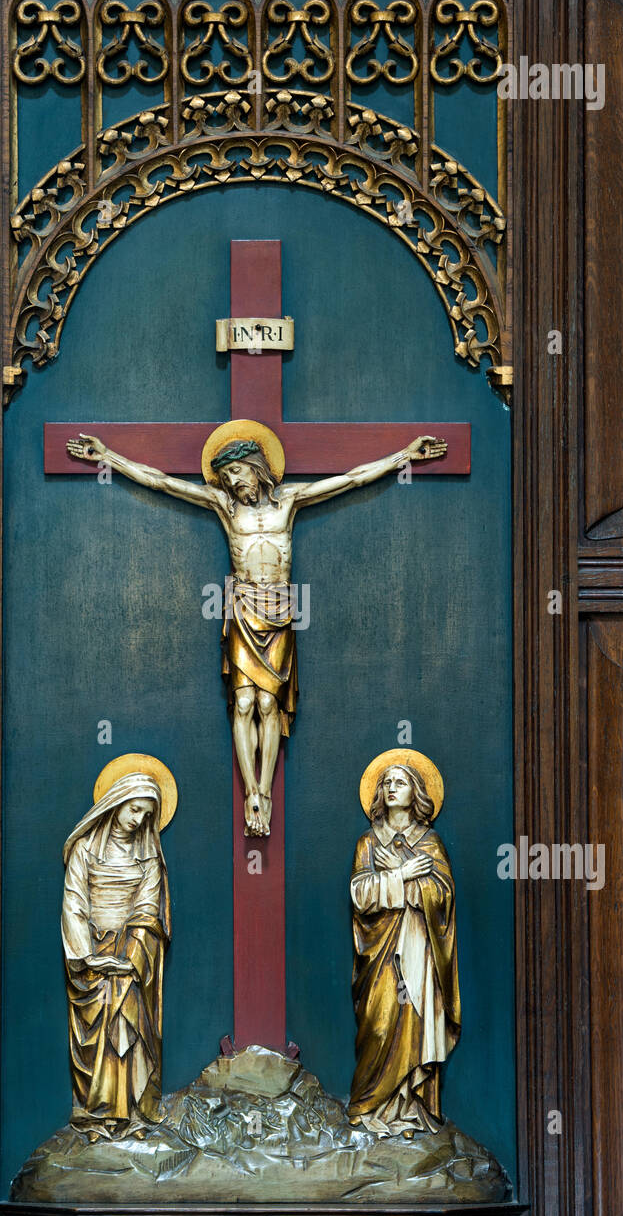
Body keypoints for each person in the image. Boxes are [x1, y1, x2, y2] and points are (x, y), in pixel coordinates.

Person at [66, 421, 446, 836]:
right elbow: (162, 483)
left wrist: (403, 457)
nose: (233, 482)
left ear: (256, 467)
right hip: (244, 607)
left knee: (269, 705)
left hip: (281, 608)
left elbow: (351, 479)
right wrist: (108, 457)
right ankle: (250, 791)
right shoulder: (225, 507)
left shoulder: (289, 501)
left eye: (238, 473)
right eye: (226, 477)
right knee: (244, 703)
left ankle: (265, 789)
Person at [60, 756, 176, 1139]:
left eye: (146, 814)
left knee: (128, 1026)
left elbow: (147, 910)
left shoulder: (148, 860)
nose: (139, 819)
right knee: (101, 1035)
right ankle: (97, 1115)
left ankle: (132, 1115)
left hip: (130, 954)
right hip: (93, 953)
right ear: (118, 801)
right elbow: (75, 905)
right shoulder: (85, 852)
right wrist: (90, 956)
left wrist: (129, 959)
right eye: (135, 808)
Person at [348, 752, 461, 1137]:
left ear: (417, 792)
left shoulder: (429, 842)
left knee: (413, 1023)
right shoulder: (367, 843)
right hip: (379, 953)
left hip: (417, 952)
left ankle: (408, 1112)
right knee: (378, 1027)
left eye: (400, 781)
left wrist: (408, 877)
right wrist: (399, 875)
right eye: (386, 783)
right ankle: (368, 1107)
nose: (391, 788)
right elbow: (360, 895)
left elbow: (442, 896)